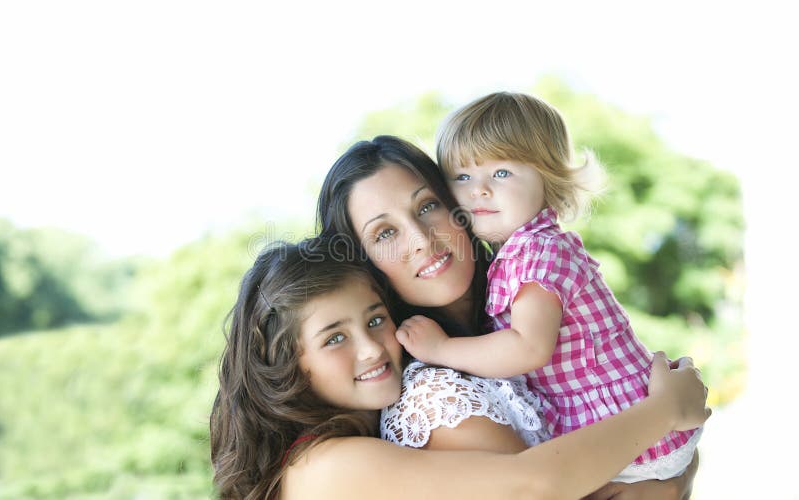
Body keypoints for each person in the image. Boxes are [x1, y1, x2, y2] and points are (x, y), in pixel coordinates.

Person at [316, 135, 706, 497]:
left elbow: (650, 444)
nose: (421, 239)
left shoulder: (525, 301)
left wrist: (678, 474)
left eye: (427, 206)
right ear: (363, 265)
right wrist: (665, 425)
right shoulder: (433, 396)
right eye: (385, 233)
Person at [210, 237, 710, 500]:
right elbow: (532, 486)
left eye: (376, 319)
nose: (370, 349)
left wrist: (671, 481)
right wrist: (663, 412)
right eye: (334, 338)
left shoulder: (344, 450)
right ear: (286, 367)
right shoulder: (325, 466)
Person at [391, 92, 700, 483]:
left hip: (626, 423)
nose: (479, 190)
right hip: (634, 422)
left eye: (501, 173)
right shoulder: (513, 255)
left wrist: (441, 349)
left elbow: (528, 346)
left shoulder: (538, 250)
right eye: (462, 177)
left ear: (547, 177)